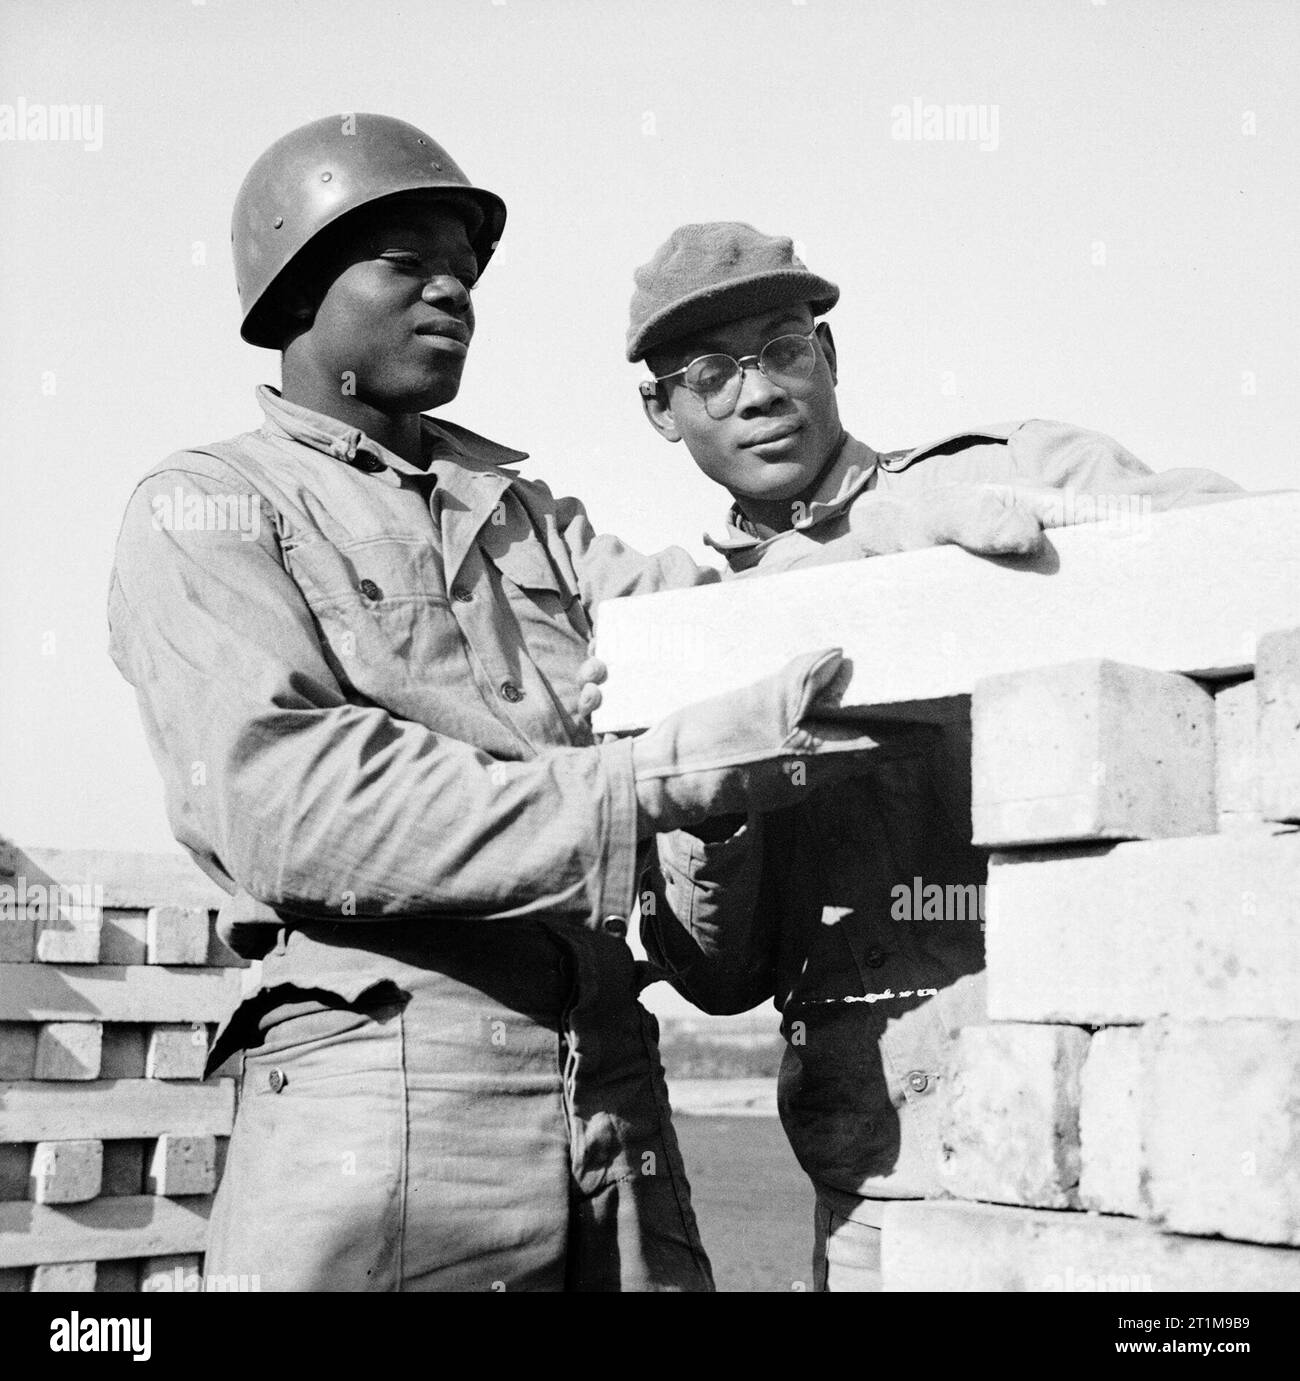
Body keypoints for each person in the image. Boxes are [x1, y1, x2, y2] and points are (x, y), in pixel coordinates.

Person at [107, 121, 909, 1292]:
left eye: (465, 269)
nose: (454, 290)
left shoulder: (539, 521)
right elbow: (287, 802)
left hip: (613, 1099)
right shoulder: (211, 508)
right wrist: (641, 783)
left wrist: (920, 519)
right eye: (404, 260)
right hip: (388, 1100)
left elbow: (730, 623)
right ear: (291, 290)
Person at [625, 221, 1242, 1291]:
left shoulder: (1004, 471)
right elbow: (720, 980)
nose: (758, 393)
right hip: (881, 1176)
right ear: (661, 411)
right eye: (711, 375)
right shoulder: (687, 631)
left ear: (829, 355)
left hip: (1111, 1139)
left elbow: (1227, 546)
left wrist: (1005, 558)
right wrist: (711, 797)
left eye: (781, 350)